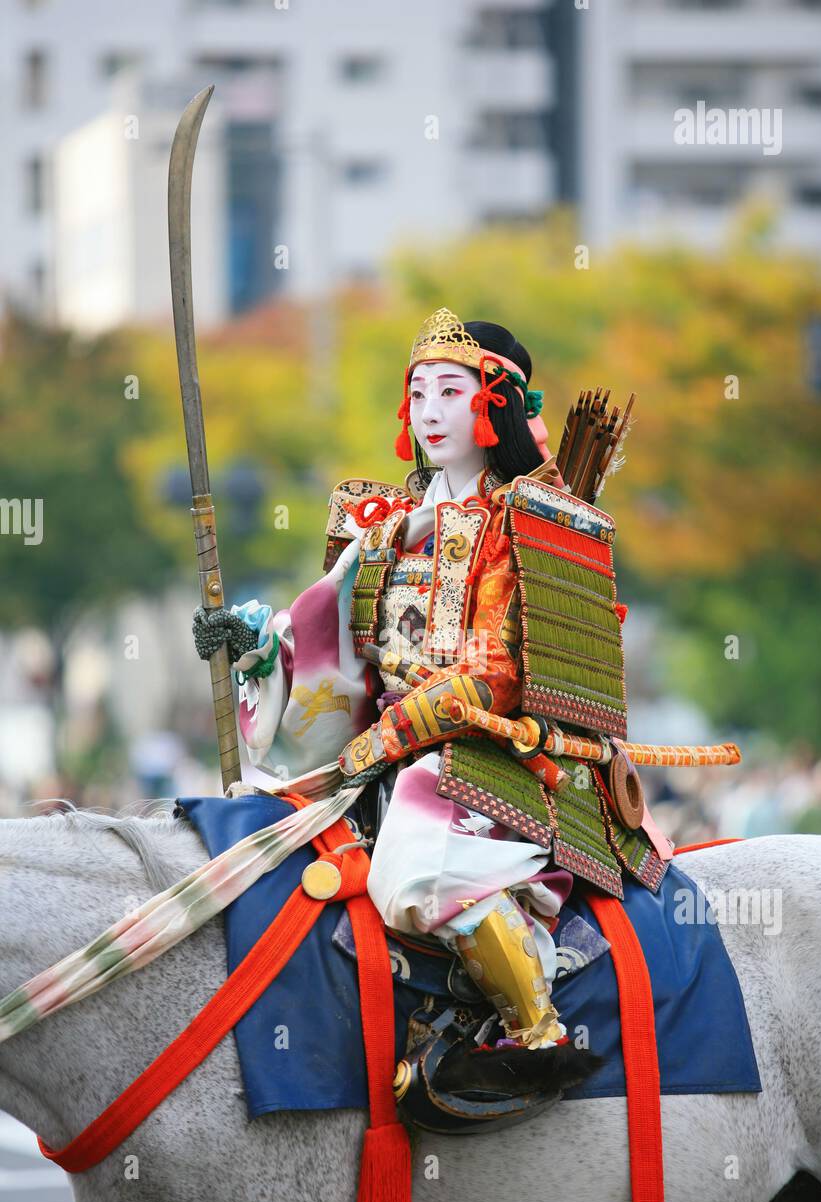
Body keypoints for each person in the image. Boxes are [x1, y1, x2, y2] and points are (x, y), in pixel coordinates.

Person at [193, 307, 671, 1061]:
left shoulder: (524, 521)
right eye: (417, 394)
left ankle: (533, 1031)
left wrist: (391, 738)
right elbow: (329, 651)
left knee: (418, 867)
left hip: (490, 758)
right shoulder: (378, 528)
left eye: (450, 391)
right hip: (370, 757)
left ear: (495, 406)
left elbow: (495, 674)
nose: (429, 412)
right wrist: (255, 648)